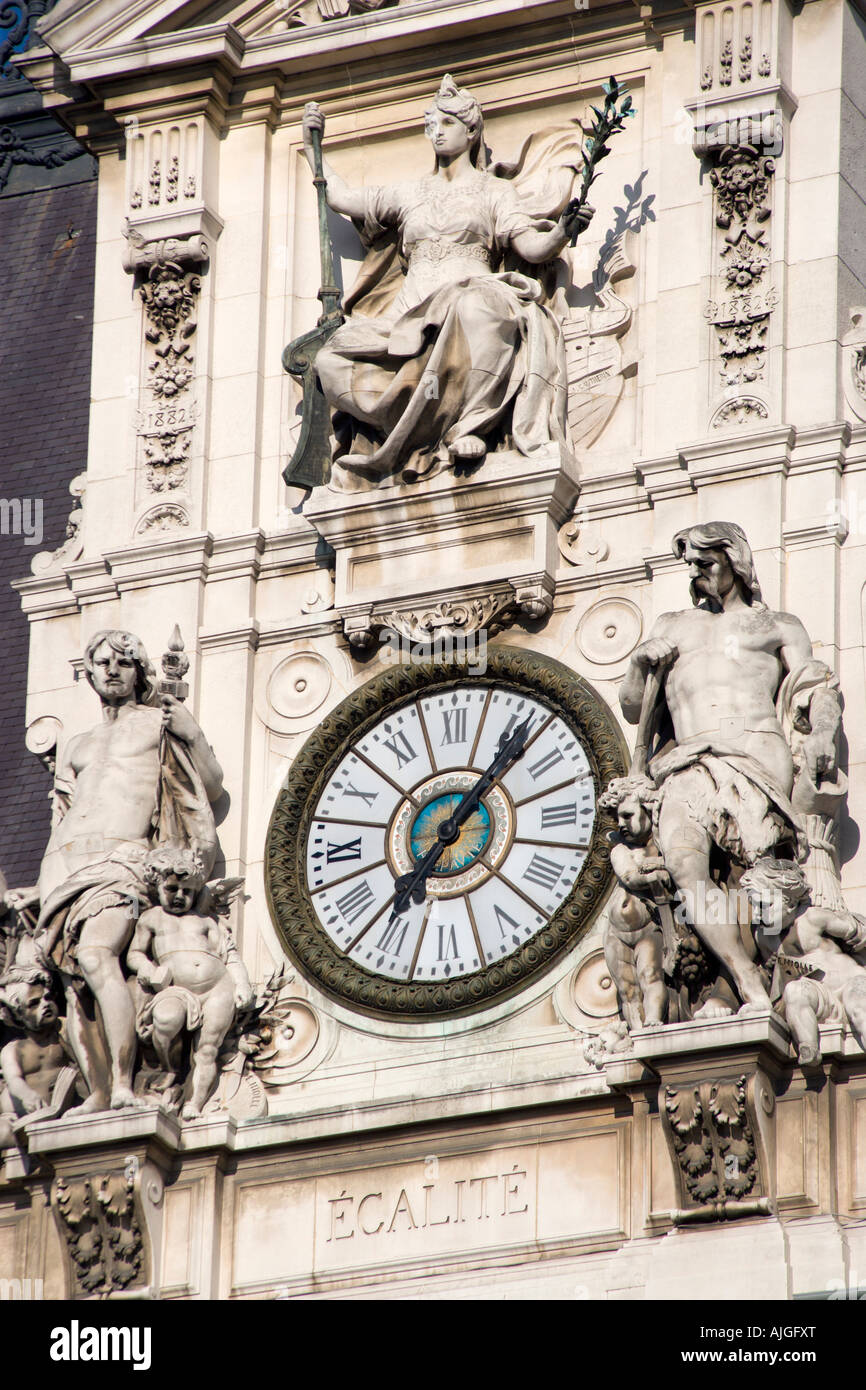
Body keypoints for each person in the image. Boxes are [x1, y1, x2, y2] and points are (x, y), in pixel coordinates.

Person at [302, 74, 593, 491]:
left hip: (472, 293)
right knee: (331, 360)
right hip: (412, 308)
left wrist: (562, 231)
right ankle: (414, 431)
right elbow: (340, 197)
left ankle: (468, 426)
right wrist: (315, 145)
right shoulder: (410, 193)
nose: (435, 133)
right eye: (430, 125)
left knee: (474, 308)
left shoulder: (494, 192)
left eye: (446, 124)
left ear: (471, 129)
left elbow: (530, 247)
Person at [618, 522, 841, 1013]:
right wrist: (638, 664)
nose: (695, 573)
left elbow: (816, 689)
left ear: (735, 559)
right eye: (690, 565)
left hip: (756, 755)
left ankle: (744, 980)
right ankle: (745, 979)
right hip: (686, 761)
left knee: (751, 878)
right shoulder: (672, 625)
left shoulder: (776, 626)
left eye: (705, 561)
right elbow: (636, 707)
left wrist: (823, 729)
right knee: (682, 866)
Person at [35, 630, 223, 1111]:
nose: (111, 670)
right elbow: (63, 817)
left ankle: (123, 1083)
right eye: (101, 663)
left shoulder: (155, 723)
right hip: (63, 866)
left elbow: (210, 785)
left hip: (123, 859)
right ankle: (97, 1090)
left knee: (97, 957)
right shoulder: (76, 745)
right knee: (71, 983)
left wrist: (191, 732)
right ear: (91, 673)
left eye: (123, 662)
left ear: (140, 671)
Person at [127, 847, 253, 1120]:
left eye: (187, 891)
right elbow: (134, 954)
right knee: (166, 1020)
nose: (180, 896)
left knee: (207, 1049)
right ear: (158, 886)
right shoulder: (150, 918)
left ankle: (194, 1102)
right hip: (175, 989)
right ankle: (169, 1068)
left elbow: (229, 954)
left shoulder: (206, 921)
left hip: (218, 988)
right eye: (172, 889)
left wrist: (242, 983)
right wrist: (149, 970)